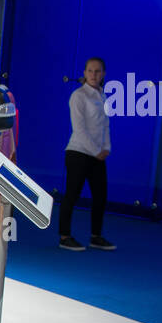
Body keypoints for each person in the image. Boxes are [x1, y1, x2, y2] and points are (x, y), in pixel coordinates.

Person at [58, 56, 116, 250]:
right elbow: (79, 128)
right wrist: (96, 151)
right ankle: (65, 237)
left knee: (101, 196)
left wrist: (106, 148)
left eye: (98, 71)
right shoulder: (78, 96)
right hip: (78, 153)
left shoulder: (103, 95)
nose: (94, 74)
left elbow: (105, 126)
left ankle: (96, 236)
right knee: (72, 195)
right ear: (84, 73)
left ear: (104, 74)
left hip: (98, 155)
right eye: (90, 71)